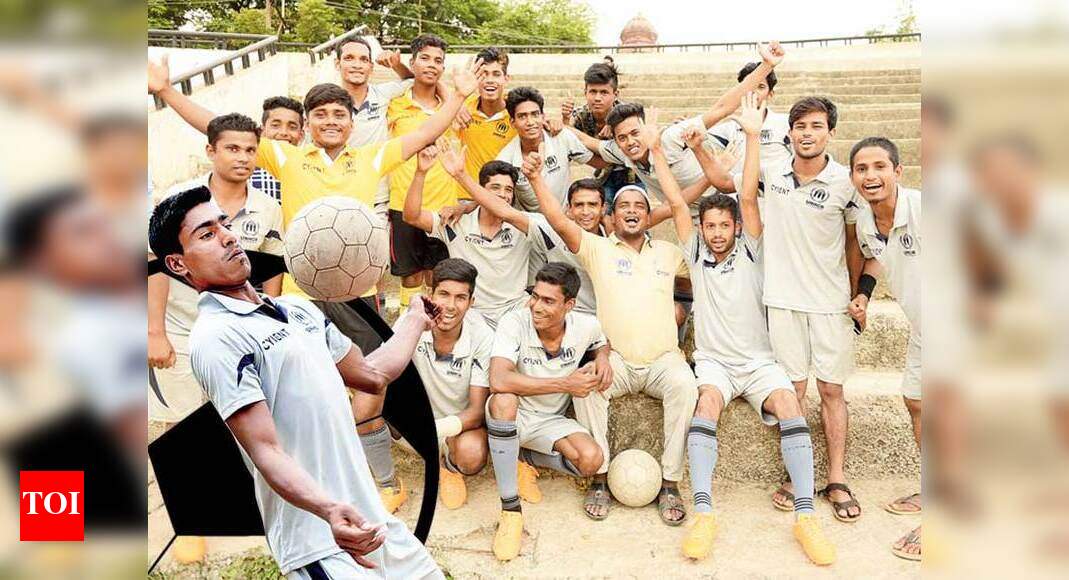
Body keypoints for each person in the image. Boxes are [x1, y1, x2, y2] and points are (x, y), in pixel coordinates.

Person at [148, 186, 445, 579]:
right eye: (206, 234)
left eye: (224, 223)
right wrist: (328, 510)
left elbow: (372, 376)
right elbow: (266, 450)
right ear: (178, 264)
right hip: (320, 541)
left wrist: (414, 320)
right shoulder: (217, 336)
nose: (228, 236)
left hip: (372, 522)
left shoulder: (296, 309)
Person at [146, 53, 485, 352]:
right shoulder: (287, 156)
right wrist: (166, 91)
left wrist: (458, 95)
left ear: (352, 123)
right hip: (300, 290)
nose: (331, 121)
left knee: (367, 375)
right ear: (307, 125)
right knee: (304, 376)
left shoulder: (373, 158)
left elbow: (426, 133)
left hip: (357, 289)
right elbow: (218, 128)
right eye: (321, 115)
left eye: (340, 114)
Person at [672, 94, 834, 565]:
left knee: (789, 403)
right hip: (716, 363)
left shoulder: (751, 247)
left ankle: (806, 517)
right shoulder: (697, 254)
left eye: (725, 225)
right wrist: (662, 154)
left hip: (760, 360)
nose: (717, 232)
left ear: (738, 227)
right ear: (702, 229)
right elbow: (678, 205)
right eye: (711, 225)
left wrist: (748, 134)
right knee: (705, 402)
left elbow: (745, 195)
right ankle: (704, 512)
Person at [700, 95, 866, 523]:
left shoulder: (846, 182)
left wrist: (858, 292)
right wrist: (753, 135)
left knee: (832, 390)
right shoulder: (772, 173)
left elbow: (855, 241)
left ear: (830, 131)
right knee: (794, 391)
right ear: (789, 133)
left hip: (830, 304)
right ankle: (798, 476)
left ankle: (837, 477)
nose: (807, 133)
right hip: (782, 301)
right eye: (800, 126)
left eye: (816, 126)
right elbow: (745, 199)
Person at [528, 115, 699, 527]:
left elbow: (678, 208)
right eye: (624, 206)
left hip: (663, 360)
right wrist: (536, 182)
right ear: (611, 214)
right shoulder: (597, 249)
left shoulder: (668, 253)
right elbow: (558, 220)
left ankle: (671, 481)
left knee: (687, 385)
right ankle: (600, 477)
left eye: (640, 206)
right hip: (617, 360)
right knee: (587, 386)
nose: (633, 212)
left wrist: (657, 150)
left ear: (647, 214)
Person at [149, 114, 284, 428]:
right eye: (233, 148)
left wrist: (268, 327)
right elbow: (152, 267)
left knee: (239, 426)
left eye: (250, 150)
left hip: (237, 334)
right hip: (181, 332)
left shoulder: (268, 207)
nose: (243, 158)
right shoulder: (176, 200)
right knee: (181, 429)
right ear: (211, 151)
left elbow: (272, 268)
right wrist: (155, 331)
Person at [567, 42, 785, 219]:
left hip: (727, 205)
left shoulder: (672, 138)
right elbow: (590, 142)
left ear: (646, 127)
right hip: (688, 215)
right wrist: (563, 125)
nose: (630, 142)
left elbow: (722, 108)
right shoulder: (621, 150)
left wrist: (766, 66)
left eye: (635, 133)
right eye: (622, 137)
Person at [486, 262, 611, 561]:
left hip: (549, 420)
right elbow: (499, 379)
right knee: (504, 399)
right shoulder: (514, 322)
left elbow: (601, 343)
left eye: (548, 301)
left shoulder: (586, 325)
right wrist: (565, 383)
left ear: (570, 305)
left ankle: (522, 458)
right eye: (535, 296)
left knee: (591, 461)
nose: (536, 307)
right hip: (513, 412)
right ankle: (511, 510)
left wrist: (604, 359)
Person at [354, 258, 494, 513]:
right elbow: (378, 374)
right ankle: (389, 485)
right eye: (444, 294)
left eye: (461, 297)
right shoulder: (412, 321)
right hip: (412, 429)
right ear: (430, 294)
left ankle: (447, 468)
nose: (451, 306)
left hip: (454, 431)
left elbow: (476, 412)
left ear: (471, 302)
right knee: (367, 394)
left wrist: (432, 430)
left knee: (473, 455)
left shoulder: (482, 336)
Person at [848, 136, 922, 561]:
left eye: (879, 167)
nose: (870, 175)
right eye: (861, 168)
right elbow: (877, 255)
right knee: (916, 401)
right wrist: (864, 295)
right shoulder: (865, 220)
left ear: (898, 171)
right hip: (924, 328)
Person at [440, 141, 606, 315]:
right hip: (561, 317)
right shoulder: (549, 230)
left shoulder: (614, 240)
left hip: (606, 318)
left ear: (603, 209)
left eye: (592, 205)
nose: (586, 212)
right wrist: (462, 179)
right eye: (579, 205)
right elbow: (504, 211)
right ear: (568, 210)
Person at [402, 146, 537, 329]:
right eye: (495, 188)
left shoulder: (523, 226)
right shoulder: (456, 222)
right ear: (480, 191)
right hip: (471, 312)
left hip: (515, 309)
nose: (503, 195)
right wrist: (420, 172)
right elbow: (412, 216)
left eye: (508, 190)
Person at [386, 34, 464, 309]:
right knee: (410, 277)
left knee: (439, 277)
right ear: (413, 62)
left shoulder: (455, 108)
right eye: (425, 58)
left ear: (443, 68)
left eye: (438, 60)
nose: (432, 65)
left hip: (443, 208)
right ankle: (412, 332)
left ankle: (436, 330)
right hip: (403, 203)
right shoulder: (394, 103)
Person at [333, 37, 428, 218]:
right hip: (337, 195)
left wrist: (396, 65)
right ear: (337, 64)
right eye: (349, 58)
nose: (357, 65)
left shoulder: (382, 93)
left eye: (363, 59)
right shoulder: (325, 100)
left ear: (371, 67)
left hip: (377, 200)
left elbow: (415, 82)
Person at [495, 86, 603, 211]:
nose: (530, 122)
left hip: (564, 223)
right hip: (528, 225)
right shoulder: (505, 160)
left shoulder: (561, 138)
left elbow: (599, 163)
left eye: (535, 114)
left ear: (543, 116)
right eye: (522, 116)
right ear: (512, 122)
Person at [562, 62, 641, 207]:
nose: (597, 98)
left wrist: (616, 127)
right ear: (585, 92)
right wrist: (565, 119)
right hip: (603, 176)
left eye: (604, 92)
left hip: (634, 176)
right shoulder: (580, 114)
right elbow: (566, 136)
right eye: (593, 91)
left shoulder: (627, 115)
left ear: (615, 94)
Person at [706, 62, 792, 177]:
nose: (753, 92)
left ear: (770, 94)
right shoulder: (729, 129)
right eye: (748, 87)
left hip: (775, 193)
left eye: (761, 87)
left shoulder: (786, 124)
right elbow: (697, 135)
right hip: (738, 192)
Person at [454, 48, 517, 188]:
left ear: (506, 79)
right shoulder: (462, 108)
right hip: (466, 196)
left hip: (502, 197)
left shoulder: (517, 113)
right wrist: (455, 99)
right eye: (483, 74)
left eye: (496, 74)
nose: (489, 80)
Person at [251, 96, 305, 204]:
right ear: (262, 131)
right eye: (275, 125)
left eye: (292, 127)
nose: (284, 132)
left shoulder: (309, 163)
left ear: (301, 135)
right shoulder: (251, 157)